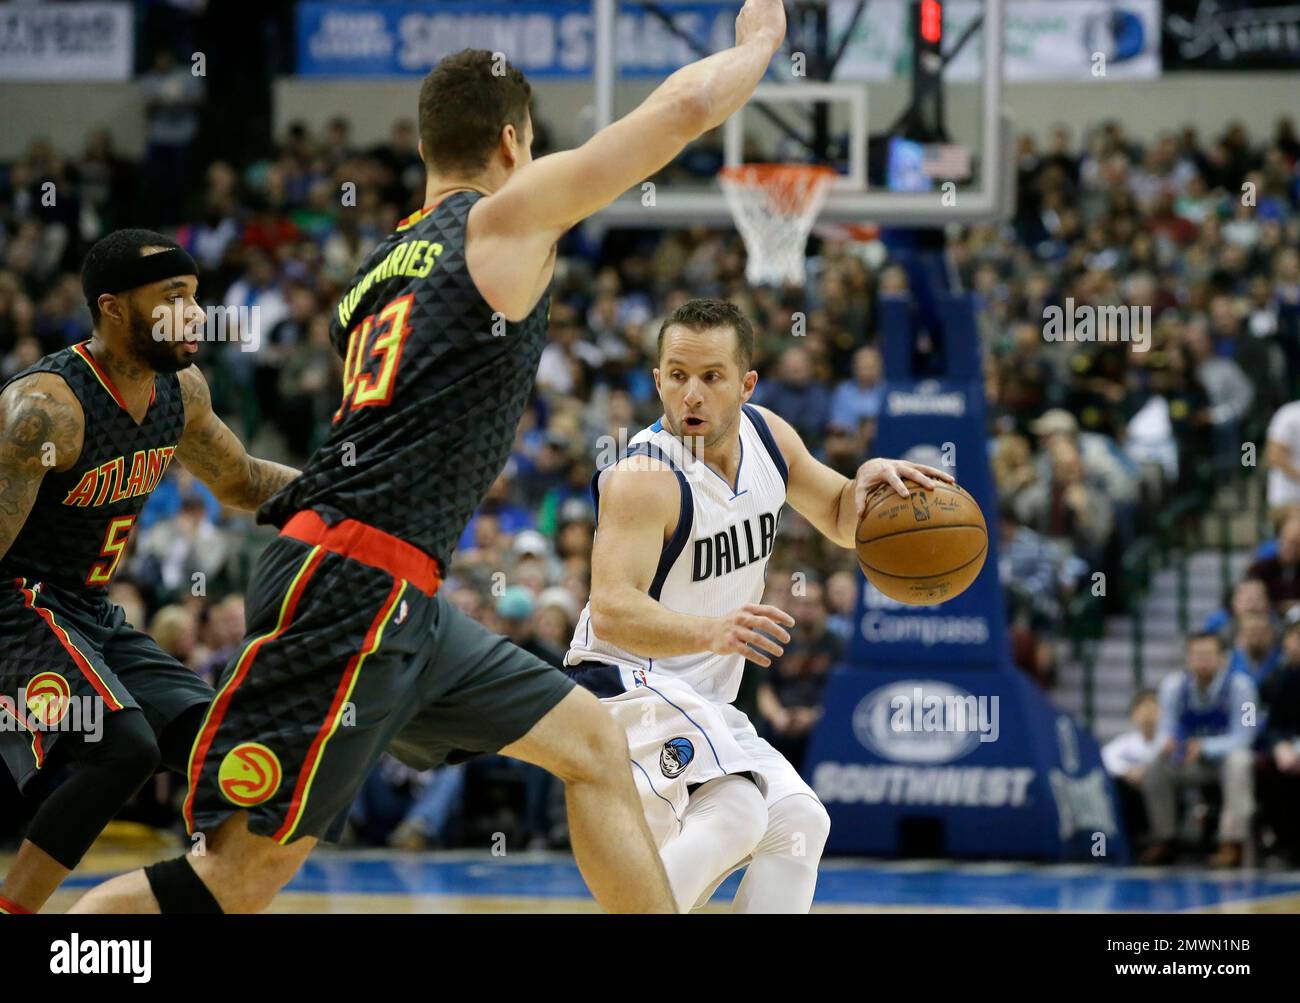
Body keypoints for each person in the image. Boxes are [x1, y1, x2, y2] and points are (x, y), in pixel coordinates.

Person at [71, 1, 789, 916]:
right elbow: (680, 111)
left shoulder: (373, 276)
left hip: (393, 588)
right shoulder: (500, 223)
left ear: (423, 148)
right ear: (513, 143)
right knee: (235, 878)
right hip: (353, 586)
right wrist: (760, 43)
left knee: (592, 745)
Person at [563, 298, 952, 912]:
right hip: (624, 686)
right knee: (738, 810)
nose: (692, 394)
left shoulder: (768, 436)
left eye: (711, 377)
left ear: (746, 385)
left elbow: (839, 515)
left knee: (799, 823)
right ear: (658, 380)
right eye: (677, 375)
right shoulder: (643, 477)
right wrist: (711, 631)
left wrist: (869, 488)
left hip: (699, 699)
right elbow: (611, 610)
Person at [0, 229, 299, 914]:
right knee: (124, 746)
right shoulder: (46, 409)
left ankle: (194, 898)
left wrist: (352, 498)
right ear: (113, 308)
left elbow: (242, 480)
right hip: (13, 605)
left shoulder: (181, 391)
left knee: (222, 745)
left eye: (195, 296)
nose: (195, 314)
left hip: (87, 611)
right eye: (173, 297)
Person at [1141, 633, 1257, 867]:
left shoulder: (1243, 686)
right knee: (1155, 766)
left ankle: (1231, 842)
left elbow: (1246, 736)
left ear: (1223, 659)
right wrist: (1167, 743)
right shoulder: (1172, 686)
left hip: (1224, 762)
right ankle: (1165, 838)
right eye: (1196, 655)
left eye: (1208, 655)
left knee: (1240, 761)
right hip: (1189, 761)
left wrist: (1206, 747)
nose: (1202, 661)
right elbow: (1165, 728)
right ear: (1188, 659)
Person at [1100, 690, 1161, 847]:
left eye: (1152, 709)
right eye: (1143, 710)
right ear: (1134, 715)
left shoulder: (1167, 741)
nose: (1148, 715)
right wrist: (1127, 771)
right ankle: (1131, 839)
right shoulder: (1127, 742)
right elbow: (1105, 757)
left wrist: (1146, 774)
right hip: (1136, 795)